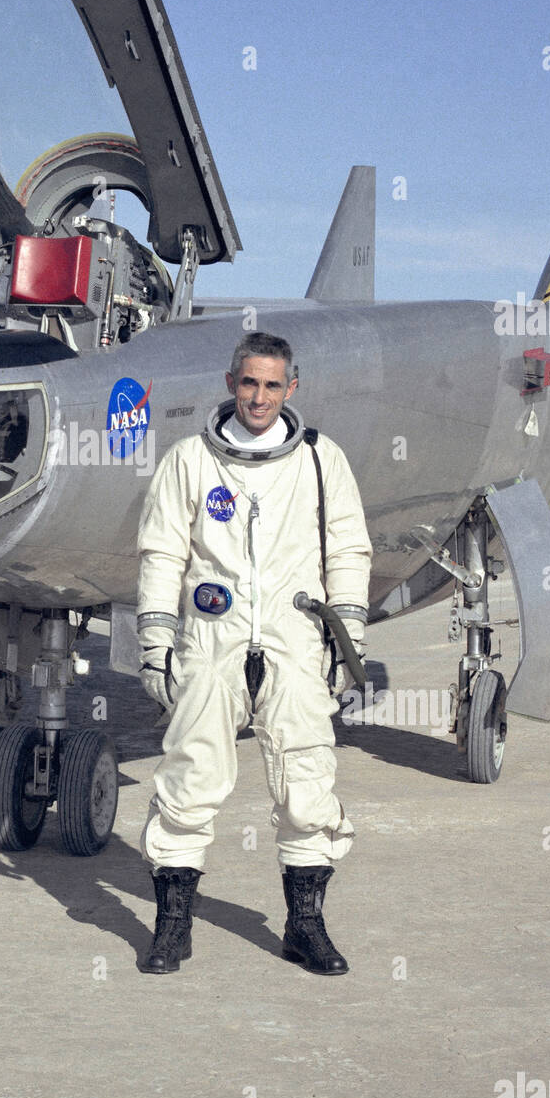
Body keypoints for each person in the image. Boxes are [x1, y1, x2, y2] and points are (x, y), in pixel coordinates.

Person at [136, 332, 371, 975]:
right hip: (212, 641)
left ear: (290, 388)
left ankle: (305, 926)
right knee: (191, 778)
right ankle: (172, 928)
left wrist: (345, 641)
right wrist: (156, 643)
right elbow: (162, 554)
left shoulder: (321, 461)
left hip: (295, 642)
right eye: (249, 383)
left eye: (272, 385)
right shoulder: (189, 460)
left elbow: (347, 551)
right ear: (230, 383)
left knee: (308, 783)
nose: (259, 397)